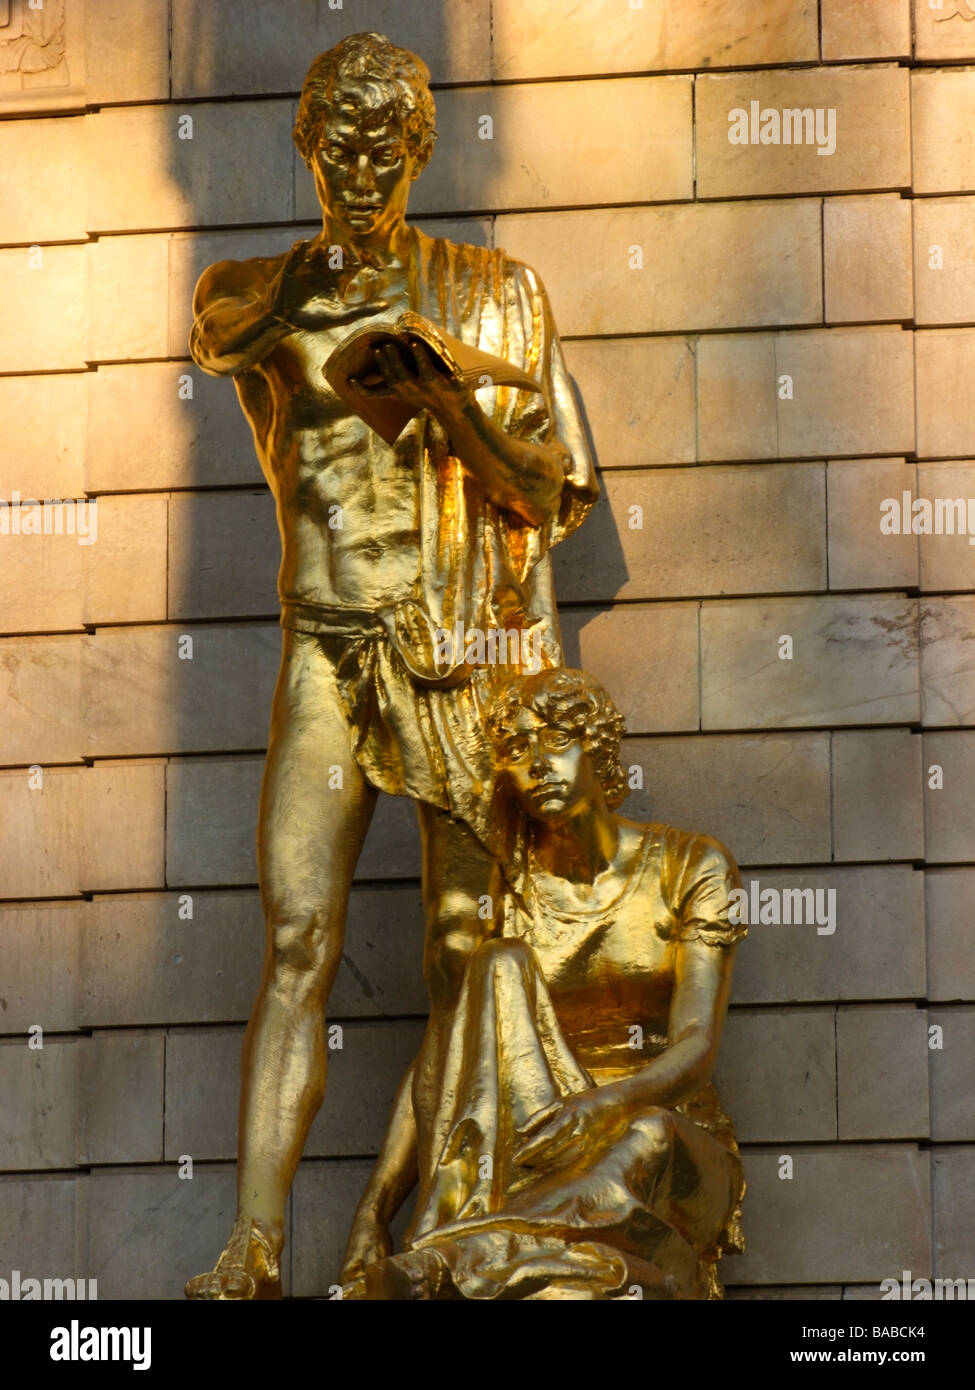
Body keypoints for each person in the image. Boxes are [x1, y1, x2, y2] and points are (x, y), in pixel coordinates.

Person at [184, 34, 597, 1298]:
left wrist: (449, 400)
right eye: (340, 141)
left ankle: (396, 1230)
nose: (364, 165)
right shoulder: (249, 292)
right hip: (325, 642)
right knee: (298, 937)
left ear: (421, 148)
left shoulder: (495, 292)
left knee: (467, 949)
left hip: (457, 653)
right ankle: (254, 1244)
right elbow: (221, 339)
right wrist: (323, 294)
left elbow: (547, 491)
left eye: (388, 142)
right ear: (306, 145)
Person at [341, 669, 746, 1300]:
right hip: (544, 1137)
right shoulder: (507, 892)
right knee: (497, 960)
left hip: (667, 1135)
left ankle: (458, 1250)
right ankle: (496, 1247)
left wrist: (603, 1106)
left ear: (599, 747)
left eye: (555, 739)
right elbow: (444, 1050)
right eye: (516, 751)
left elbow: (697, 1043)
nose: (536, 764)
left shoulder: (693, 864)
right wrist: (372, 1211)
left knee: (648, 1135)